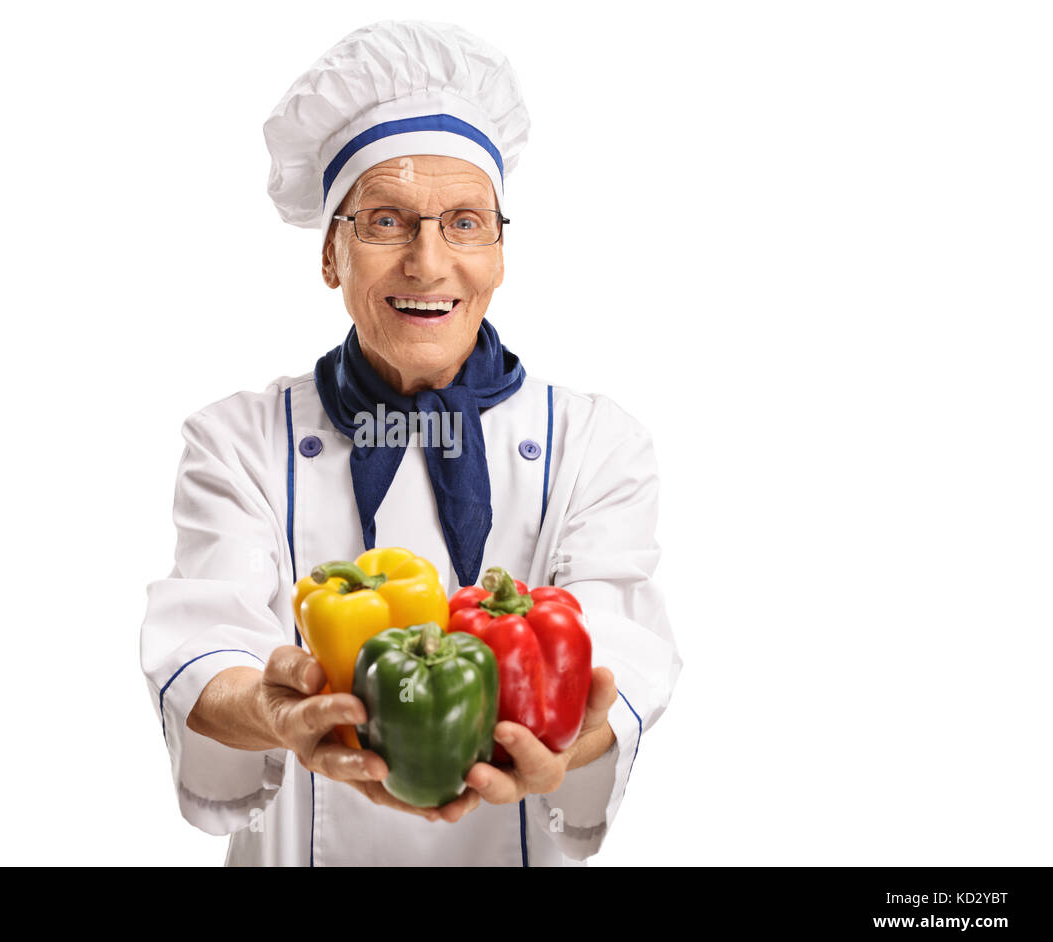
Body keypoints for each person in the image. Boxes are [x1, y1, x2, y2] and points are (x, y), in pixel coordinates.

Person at [139, 19, 682, 866]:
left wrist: (568, 744)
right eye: (387, 221)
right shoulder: (237, 439)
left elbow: (614, 639)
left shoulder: (595, 443)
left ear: (500, 252)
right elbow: (204, 639)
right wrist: (278, 712)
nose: (429, 264)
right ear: (331, 253)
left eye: (465, 223)